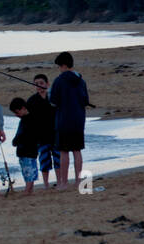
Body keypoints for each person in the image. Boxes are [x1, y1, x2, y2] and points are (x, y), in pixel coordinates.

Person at [49, 52, 90, 190]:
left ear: (64, 65)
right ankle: (78, 181)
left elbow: (53, 101)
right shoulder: (81, 80)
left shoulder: (59, 80)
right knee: (77, 150)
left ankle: (64, 183)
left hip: (64, 120)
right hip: (78, 120)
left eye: (59, 66)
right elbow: (85, 101)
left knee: (64, 151)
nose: (59, 69)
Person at [26, 74, 60, 189]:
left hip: (55, 134)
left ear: (47, 84)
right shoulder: (32, 100)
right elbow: (28, 119)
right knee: (44, 162)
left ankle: (59, 181)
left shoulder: (53, 97)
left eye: (41, 83)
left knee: (58, 160)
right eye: (36, 84)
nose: (39, 86)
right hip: (41, 137)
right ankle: (46, 184)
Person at [8, 98, 40, 195]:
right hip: (31, 150)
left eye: (17, 112)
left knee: (28, 171)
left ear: (22, 108)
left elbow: (22, 135)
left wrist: (15, 141)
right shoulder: (30, 119)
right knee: (31, 170)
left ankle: (28, 189)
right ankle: (30, 189)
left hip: (26, 150)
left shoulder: (27, 120)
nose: (16, 115)